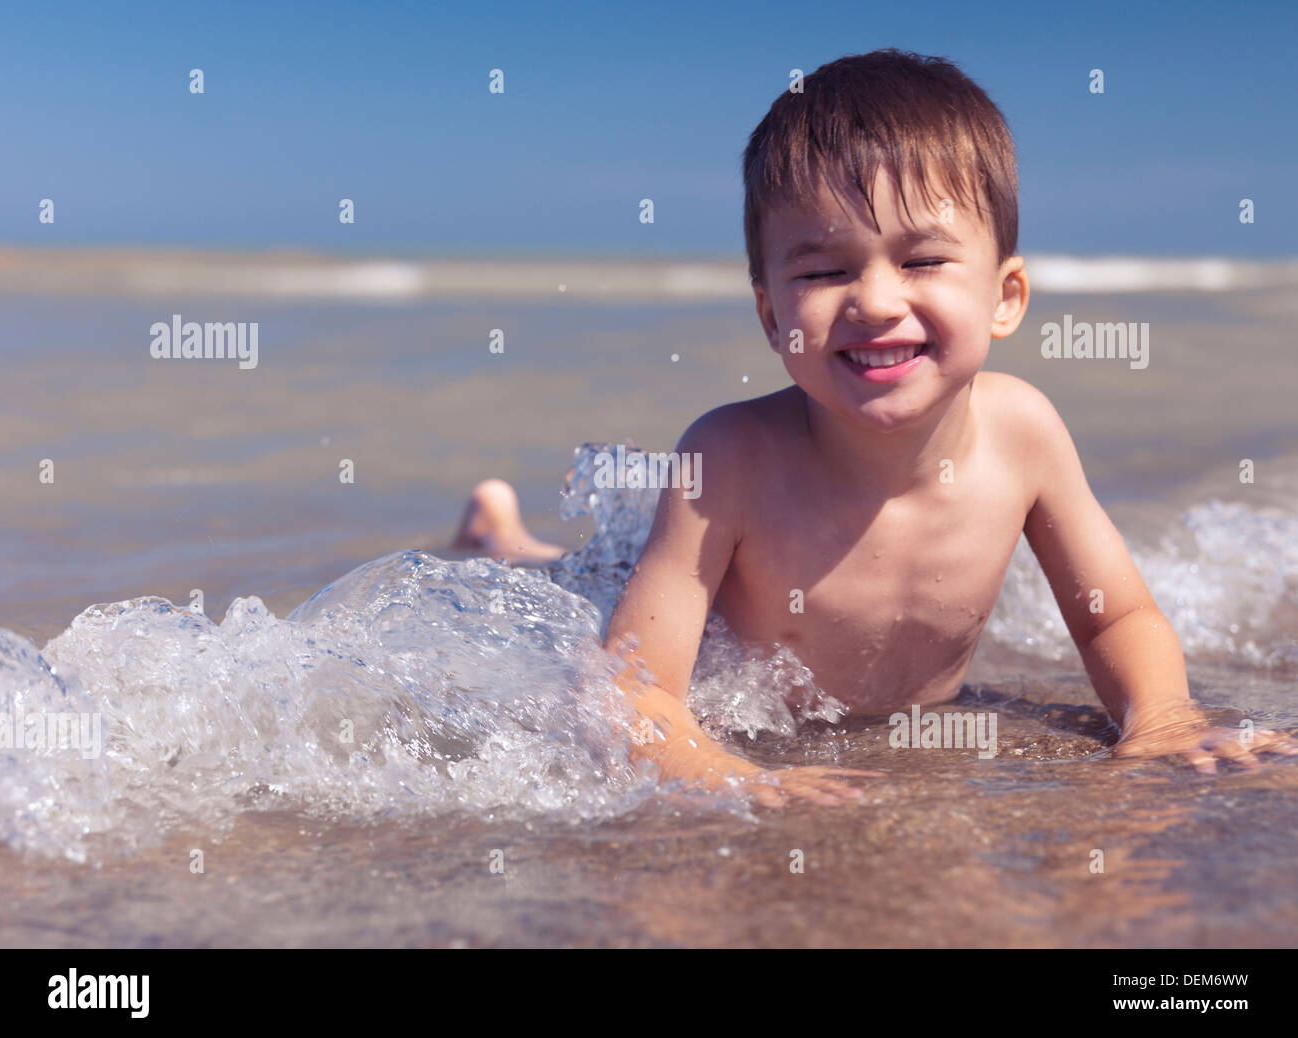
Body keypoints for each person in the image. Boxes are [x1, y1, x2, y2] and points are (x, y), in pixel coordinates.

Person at [454, 49, 1297, 807]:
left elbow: (1115, 619)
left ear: (1005, 297)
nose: (875, 301)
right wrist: (734, 776)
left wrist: (1162, 719)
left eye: (924, 260)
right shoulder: (730, 458)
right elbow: (633, 687)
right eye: (823, 270)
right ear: (768, 311)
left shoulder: (1024, 435)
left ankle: (504, 529)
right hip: (698, 612)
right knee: (573, 587)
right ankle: (502, 534)